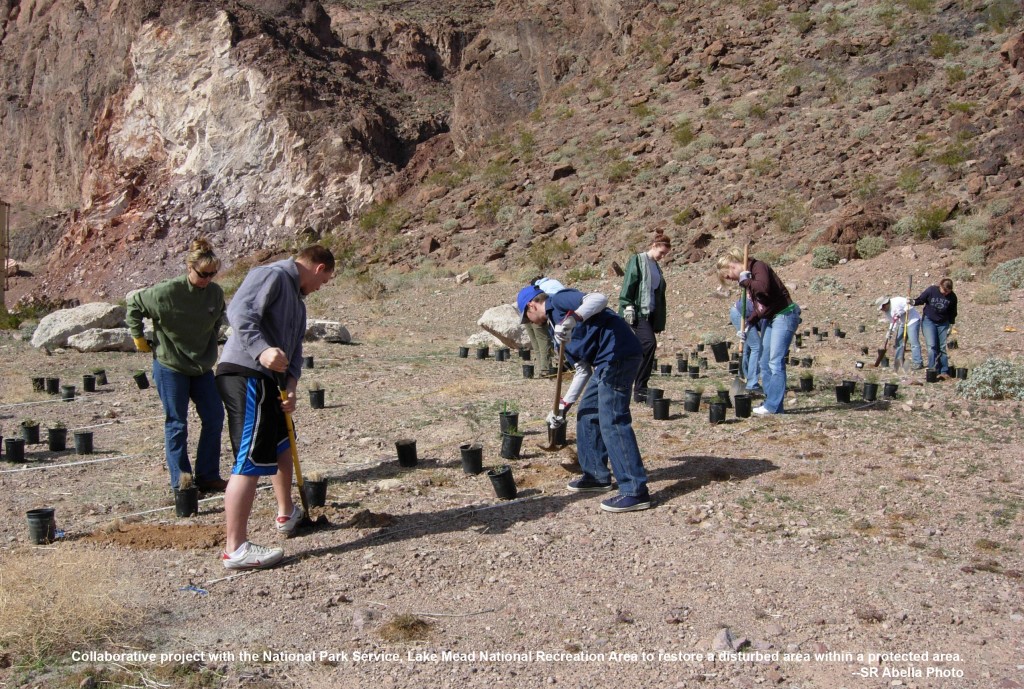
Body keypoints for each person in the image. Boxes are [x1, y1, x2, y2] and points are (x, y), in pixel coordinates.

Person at [216, 245, 335, 570]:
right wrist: (261, 350)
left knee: (282, 444)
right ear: (319, 267)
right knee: (250, 457)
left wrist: (292, 388)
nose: (321, 287)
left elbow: (294, 350)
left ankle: (286, 514)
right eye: (324, 281)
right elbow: (239, 312)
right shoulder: (271, 275)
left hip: (269, 381)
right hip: (245, 373)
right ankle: (235, 548)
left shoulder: (297, 304)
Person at [517, 283, 651, 512]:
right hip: (602, 364)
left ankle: (634, 490)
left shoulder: (559, 300)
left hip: (619, 354)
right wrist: (562, 408)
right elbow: (582, 370)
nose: (529, 322)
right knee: (588, 413)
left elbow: (599, 298)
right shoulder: (553, 329)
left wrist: (573, 319)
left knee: (613, 420)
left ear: (532, 305)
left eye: (527, 317)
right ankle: (596, 476)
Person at [125, 237, 227, 492]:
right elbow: (134, 304)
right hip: (171, 366)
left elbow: (216, 319)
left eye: (213, 274)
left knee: (214, 416)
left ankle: (208, 475)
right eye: (203, 274)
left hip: (201, 367)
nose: (208, 279)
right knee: (177, 424)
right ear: (189, 268)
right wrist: (138, 336)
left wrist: (211, 339)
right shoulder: (167, 292)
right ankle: (182, 482)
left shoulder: (214, 292)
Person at [717, 247, 801, 415]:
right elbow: (762, 306)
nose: (731, 280)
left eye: (728, 276)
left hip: (785, 315)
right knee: (764, 362)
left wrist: (745, 281)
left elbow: (763, 288)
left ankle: (772, 407)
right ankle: (773, 404)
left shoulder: (758, 267)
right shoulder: (748, 277)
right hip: (772, 317)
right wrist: (749, 324)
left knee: (775, 362)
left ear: (731, 266)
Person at [618, 230, 671, 402]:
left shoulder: (656, 266)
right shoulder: (638, 260)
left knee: (643, 347)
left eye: (665, 254)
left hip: (649, 313)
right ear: (653, 246)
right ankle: (639, 388)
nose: (662, 256)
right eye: (661, 252)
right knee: (649, 343)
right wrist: (627, 305)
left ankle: (636, 387)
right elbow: (629, 283)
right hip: (636, 311)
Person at [911, 278, 958, 380]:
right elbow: (921, 300)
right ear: (940, 286)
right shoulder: (932, 290)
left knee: (942, 347)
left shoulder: (953, 297)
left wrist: (951, 325)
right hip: (929, 321)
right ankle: (933, 370)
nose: (945, 294)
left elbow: (953, 313)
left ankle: (944, 371)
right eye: (944, 291)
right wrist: (913, 301)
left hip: (943, 323)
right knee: (932, 346)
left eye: (948, 292)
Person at [524, 276, 566, 376]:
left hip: (527, 313)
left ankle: (541, 367)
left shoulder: (536, 289)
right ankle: (546, 369)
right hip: (536, 313)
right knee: (543, 339)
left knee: (535, 340)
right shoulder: (550, 284)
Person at [728, 294, 765, 395]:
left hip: (744, 314)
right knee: (757, 347)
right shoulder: (772, 313)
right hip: (741, 314)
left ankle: (745, 377)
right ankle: (752, 384)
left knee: (749, 348)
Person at [876, 295, 923, 371]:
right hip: (902, 323)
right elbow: (893, 322)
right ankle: (898, 361)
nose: (882, 310)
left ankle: (917, 362)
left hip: (912, 320)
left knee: (913, 342)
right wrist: (890, 332)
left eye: (882, 308)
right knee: (899, 342)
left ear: (885, 304)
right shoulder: (887, 312)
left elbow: (910, 305)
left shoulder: (898, 301)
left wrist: (901, 312)